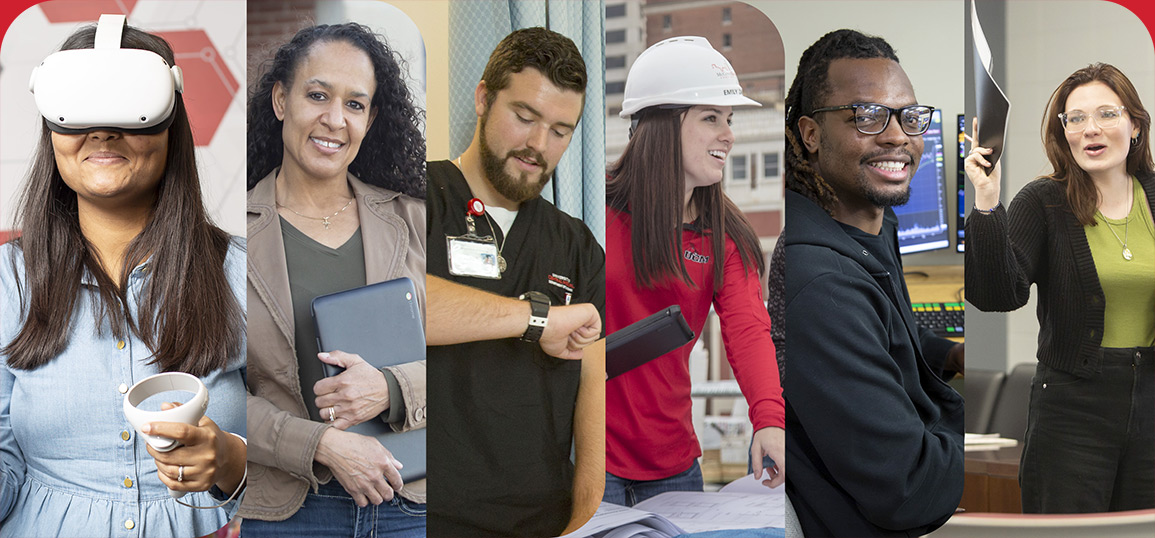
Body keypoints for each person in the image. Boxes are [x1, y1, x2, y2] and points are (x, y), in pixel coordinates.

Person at [0, 16, 246, 537]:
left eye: (129, 107)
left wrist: (230, 461)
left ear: (170, 124)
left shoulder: (245, 272)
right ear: (51, 128)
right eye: (81, 108)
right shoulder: (7, 281)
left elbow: (299, 452)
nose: (103, 131)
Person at [238, 23, 427, 537]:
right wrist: (321, 445)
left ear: (371, 119)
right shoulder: (225, 235)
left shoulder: (415, 221)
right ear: (281, 100)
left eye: (355, 104)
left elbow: (472, 365)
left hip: (413, 505)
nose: (334, 120)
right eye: (317, 95)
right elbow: (213, 393)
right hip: (291, 513)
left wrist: (391, 388)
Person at [777, 29, 964, 537]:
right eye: (867, 116)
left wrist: (948, 356)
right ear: (810, 134)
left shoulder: (873, 226)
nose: (898, 136)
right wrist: (961, 421)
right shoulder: (820, 283)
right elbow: (911, 489)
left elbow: (880, 331)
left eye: (909, 116)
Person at [424, 27, 605, 538]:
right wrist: (536, 320)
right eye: (524, 117)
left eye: (560, 131)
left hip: (542, 524)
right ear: (483, 98)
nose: (537, 145)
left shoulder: (576, 245)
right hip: (421, 517)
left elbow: (595, 395)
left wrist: (585, 522)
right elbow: (405, 305)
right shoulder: (413, 202)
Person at [603, 36, 784, 507]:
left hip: (674, 469)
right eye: (710, 118)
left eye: (729, 120)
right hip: (586, 461)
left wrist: (768, 420)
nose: (729, 134)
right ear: (661, 125)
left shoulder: (724, 235)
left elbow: (748, 330)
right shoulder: (591, 211)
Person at [965, 63, 1154, 513]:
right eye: (1075, 119)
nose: (1091, 129)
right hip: (1072, 412)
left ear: (1134, 124)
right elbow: (997, 295)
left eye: (1107, 114)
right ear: (1063, 131)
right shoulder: (1044, 200)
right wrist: (987, 203)